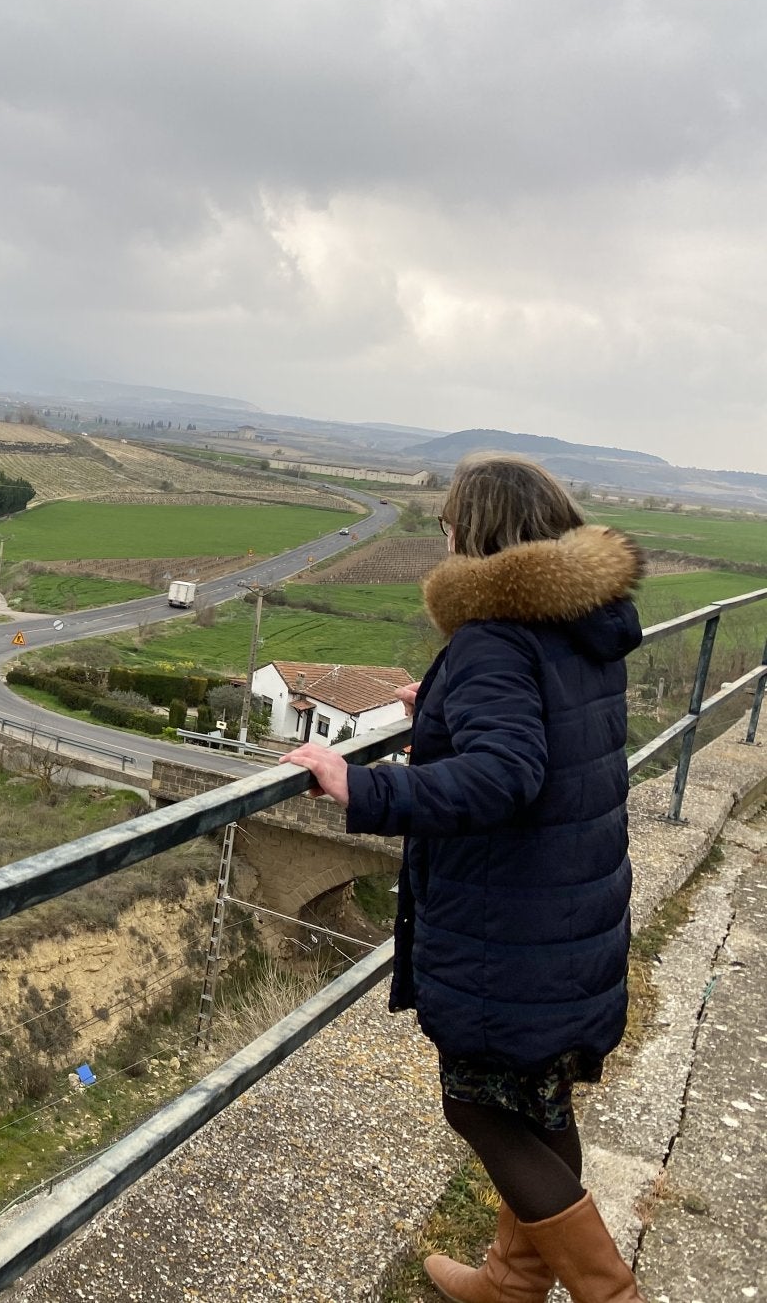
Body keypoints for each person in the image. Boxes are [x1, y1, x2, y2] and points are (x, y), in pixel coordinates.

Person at [281, 455, 646, 1303]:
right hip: (569, 913)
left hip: (507, 932)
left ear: (476, 535)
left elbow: (505, 775)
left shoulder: (494, 638)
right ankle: (513, 1282)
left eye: (448, 526)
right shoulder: (582, 627)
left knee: (480, 1108)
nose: (441, 539)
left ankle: (611, 1295)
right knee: (539, 1104)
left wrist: (358, 782)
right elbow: (544, 739)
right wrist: (439, 707)